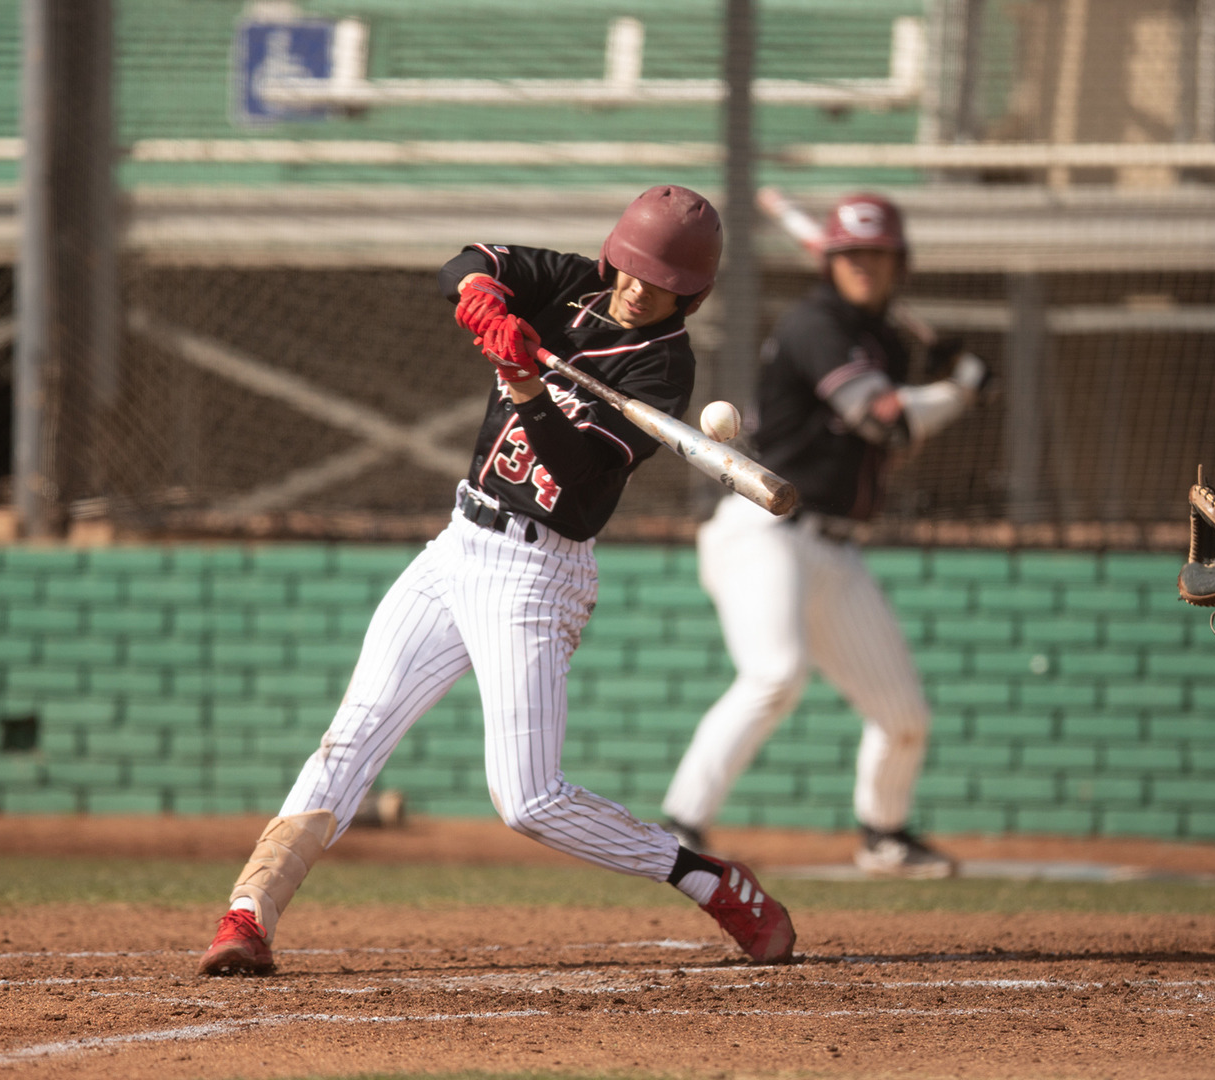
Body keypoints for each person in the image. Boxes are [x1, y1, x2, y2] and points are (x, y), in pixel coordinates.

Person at [197, 185, 796, 976]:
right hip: (457, 545)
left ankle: (710, 880)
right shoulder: (571, 280)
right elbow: (468, 262)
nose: (638, 286)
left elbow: (577, 484)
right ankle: (249, 914)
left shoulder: (660, 370)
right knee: (353, 734)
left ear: (692, 292)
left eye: (661, 280)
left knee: (528, 801)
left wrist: (525, 387)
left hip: (538, 573)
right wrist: (481, 297)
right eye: (632, 266)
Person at [660, 193, 984, 878]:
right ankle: (679, 826)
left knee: (904, 714)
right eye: (852, 255)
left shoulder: (886, 340)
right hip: (764, 527)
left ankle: (885, 836)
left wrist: (935, 373)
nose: (864, 267)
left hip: (835, 547)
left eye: (878, 256)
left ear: (899, 264)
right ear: (831, 260)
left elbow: (894, 439)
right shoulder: (813, 324)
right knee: (775, 675)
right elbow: (880, 419)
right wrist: (961, 390)